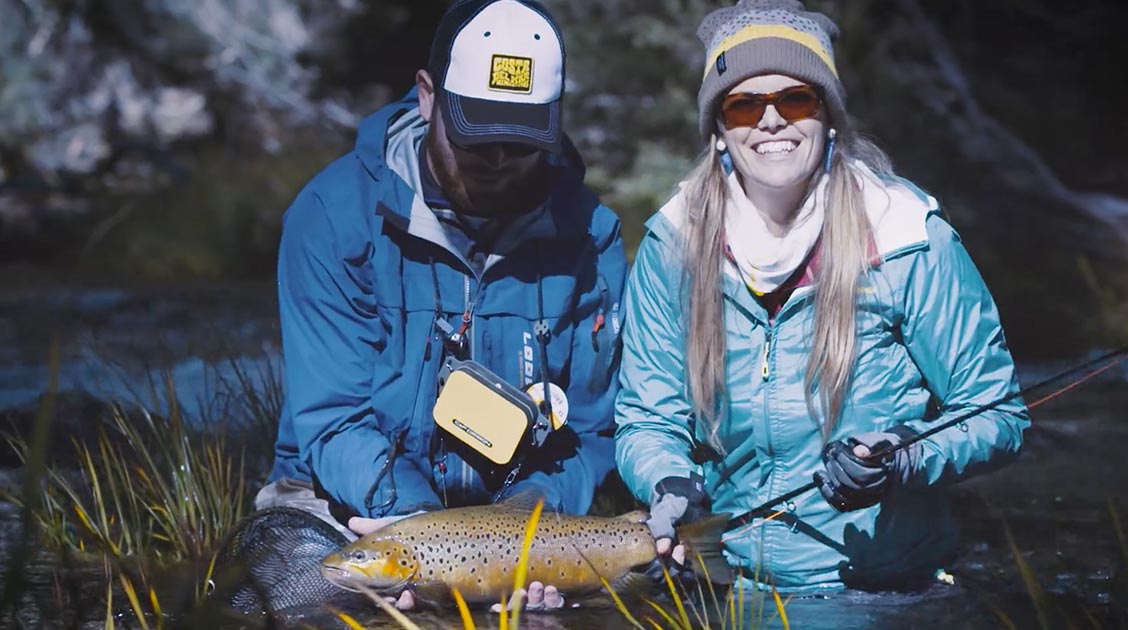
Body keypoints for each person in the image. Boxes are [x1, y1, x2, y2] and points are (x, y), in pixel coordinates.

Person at [616, 0, 1030, 593]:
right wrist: (667, 481)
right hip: (722, 588)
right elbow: (647, 418)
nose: (771, 121)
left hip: (882, 593)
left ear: (828, 115)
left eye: (796, 99)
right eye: (744, 104)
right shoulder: (671, 245)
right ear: (719, 129)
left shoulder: (908, 237)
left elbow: (997, 414)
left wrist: (907, 455)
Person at [258, 0, 626, 610]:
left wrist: (527, 522)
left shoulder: (591, 236)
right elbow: (334, 419)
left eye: (520, 138)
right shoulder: (332, 217)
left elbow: (591, 427)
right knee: (301, 598)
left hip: (522, 515)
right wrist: (419, 533)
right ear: (428, 97)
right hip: (346, 508)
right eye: (479, 134)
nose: (499, 160)